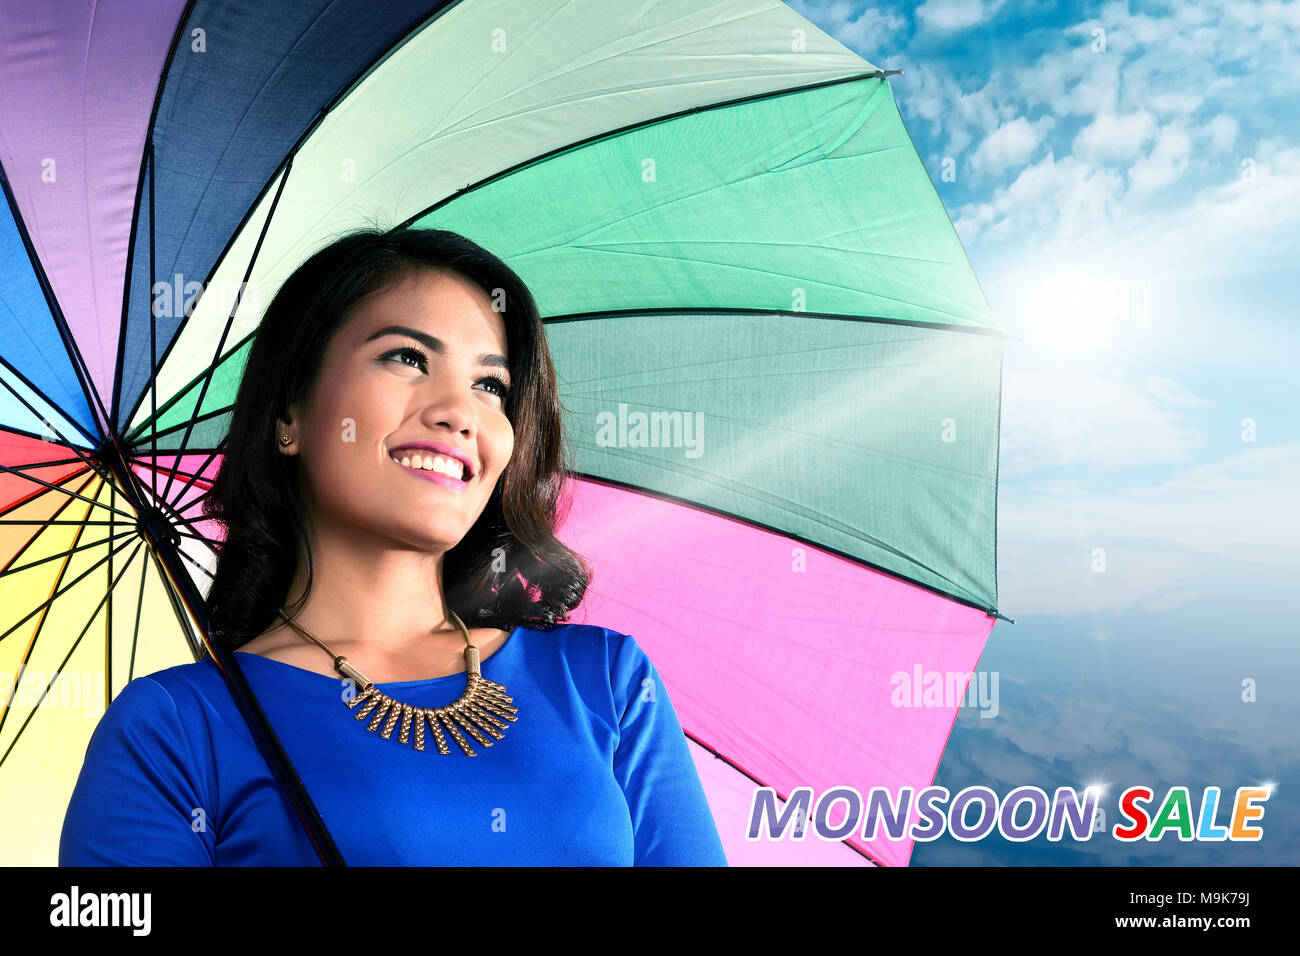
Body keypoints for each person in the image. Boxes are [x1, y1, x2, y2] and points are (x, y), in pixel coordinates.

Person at [59, 228, 727, 866]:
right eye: (407, 358)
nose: (459, 412)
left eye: (490, 386)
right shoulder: (175, 730)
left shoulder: (604, 684)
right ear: (290, 414)